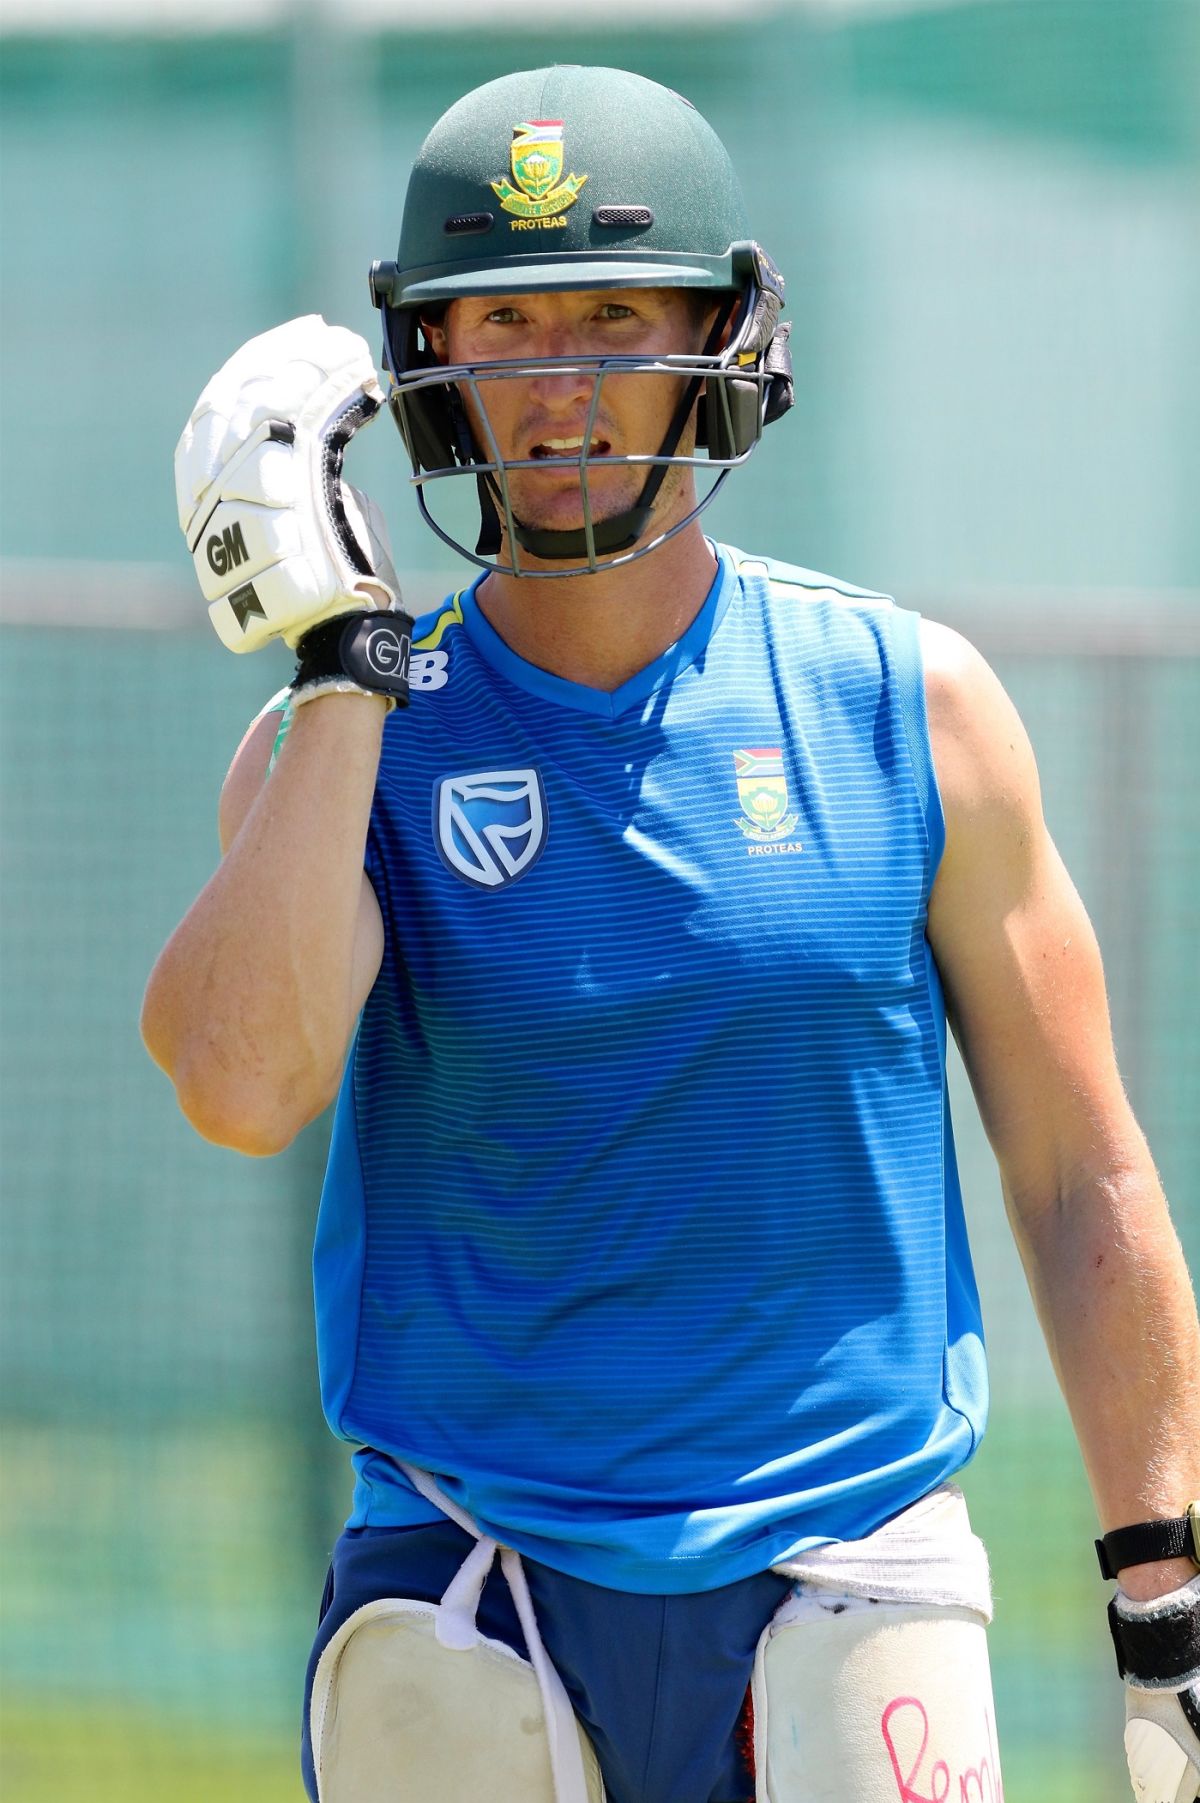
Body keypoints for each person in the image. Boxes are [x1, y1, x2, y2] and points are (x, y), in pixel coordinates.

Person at [143, 65, 1199, 1803]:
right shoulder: (338, 749)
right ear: (429, 373)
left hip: (853, 1567)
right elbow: (247, 1086)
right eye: (503, 326)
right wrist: (340, 667)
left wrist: (1164, 1593)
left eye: (617, 318)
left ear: (725, 339)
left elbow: (1085, 1172)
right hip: (469, 1579)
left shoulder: (912, 707)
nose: (559, 387)